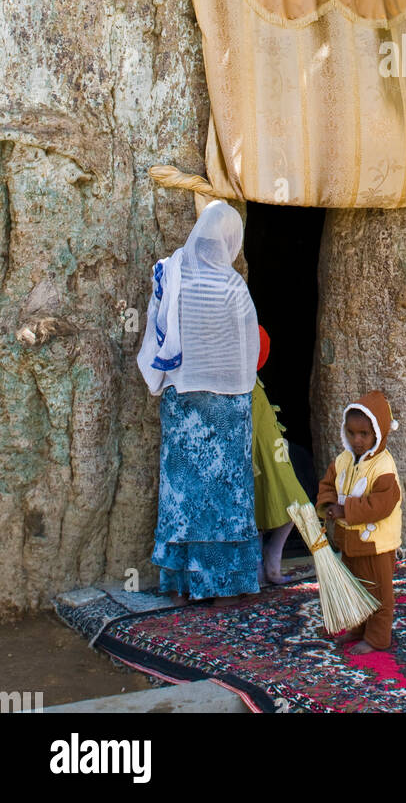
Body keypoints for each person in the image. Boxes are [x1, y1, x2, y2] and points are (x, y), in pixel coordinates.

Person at [137, 200, 260, 601]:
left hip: (183, 403)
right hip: (228, 408)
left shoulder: (173, 277)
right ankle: (225, 581)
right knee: (225, 496)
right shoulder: (232, 285)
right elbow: (247, 350)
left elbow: (159, 333)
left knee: (185, 493)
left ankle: (181, 583)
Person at [316, 390, 401, 653]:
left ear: (378, 433)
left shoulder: (384, 467)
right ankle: (358, 628)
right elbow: (327, 485)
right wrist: (330, 505)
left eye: (364, 434)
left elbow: (382, 505)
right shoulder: (342, 460)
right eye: (352, 433)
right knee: (356, 587)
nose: (357, 440)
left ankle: (377, 638)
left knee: (378, 593)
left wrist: (346, 510)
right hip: (349, 540)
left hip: (375, 543)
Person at [251, 329, 310, 584]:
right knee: (252, 505)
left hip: (270, 447)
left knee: (292, 498)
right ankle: (258, 563)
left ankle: (272, 553)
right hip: (247, 454)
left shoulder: (257, 392)